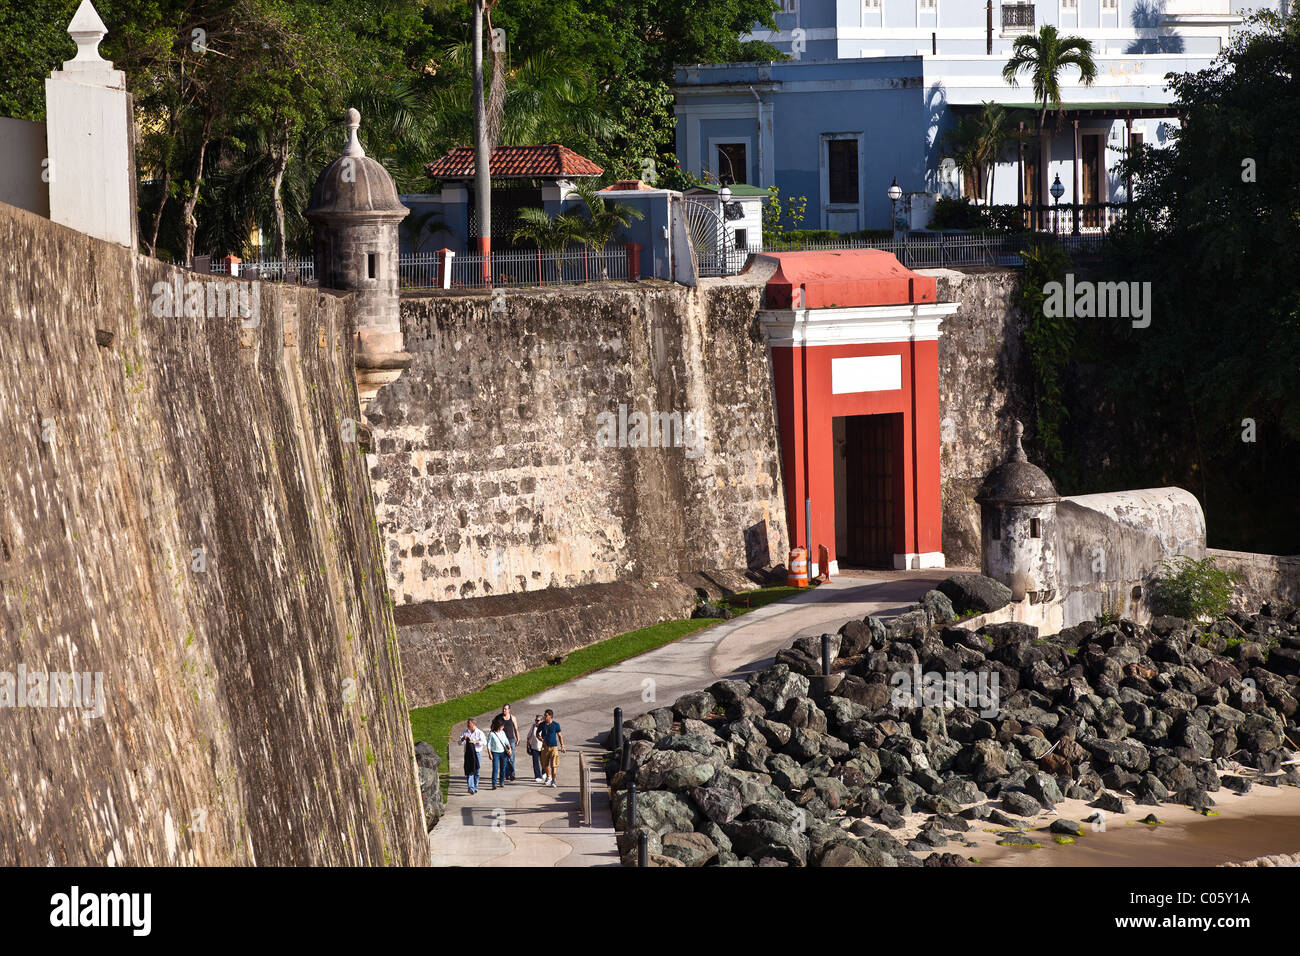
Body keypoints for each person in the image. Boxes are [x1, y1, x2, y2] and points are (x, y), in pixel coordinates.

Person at [458, 718, 486, 794]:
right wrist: (463, 739)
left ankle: (475, 786)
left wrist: (475, 742)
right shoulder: (465, 732)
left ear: (473, 724)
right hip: (468, 754)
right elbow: (459, 742)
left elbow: (484, 742)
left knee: (477, 771)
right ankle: (471, 787)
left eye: (469, 723)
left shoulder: (479, 732)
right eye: (467, 723)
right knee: (469, 770)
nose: (467, 724)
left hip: (477, 754)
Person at [539, 709, 565, 788]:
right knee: (545, 764)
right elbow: (537, 734)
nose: (545, 716)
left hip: (554, 747)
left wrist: (562, 746)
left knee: (554, 765)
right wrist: (540, 739)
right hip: (545, 747)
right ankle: (548, 776)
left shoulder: (556, 725)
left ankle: (554, 780)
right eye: (544, 715)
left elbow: (559, 735)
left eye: (546, 715)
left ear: (550, 716)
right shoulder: (542, 725)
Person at [487, 716, 512, 790]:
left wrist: (509, 749)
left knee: (503, 768)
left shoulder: (503, 732)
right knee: (495, 769)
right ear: (498, 726)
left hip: (503, 753)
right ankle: (494, 784)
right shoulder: (492, 734)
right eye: (502, 726)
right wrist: (490, 754)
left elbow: (506, 741)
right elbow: (488, 744)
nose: (503, 727)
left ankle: (501, 781)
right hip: (495, 753)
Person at [499, 704, 521, 781]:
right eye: (503, 709)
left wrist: (518, 739)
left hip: (511, 739)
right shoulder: (499, 718)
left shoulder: (513, 718)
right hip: (502, 740)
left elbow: (516, 729)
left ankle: (512, 774)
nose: (504, 710)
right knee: (504, 758)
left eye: (505, 709)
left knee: (511, 758)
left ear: (509, 710)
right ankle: (506, 774)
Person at [526, 714, 545, 783]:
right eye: (535, 720)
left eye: (537, 720)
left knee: (543, 761)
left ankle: (544, 772)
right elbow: (529, 735)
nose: (536, 722)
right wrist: (528, 744)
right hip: (534, 747)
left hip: (543, 747)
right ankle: (537, 776)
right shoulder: (533, 726)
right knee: (535, 762)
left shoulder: (544, 727)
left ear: (542, 721)